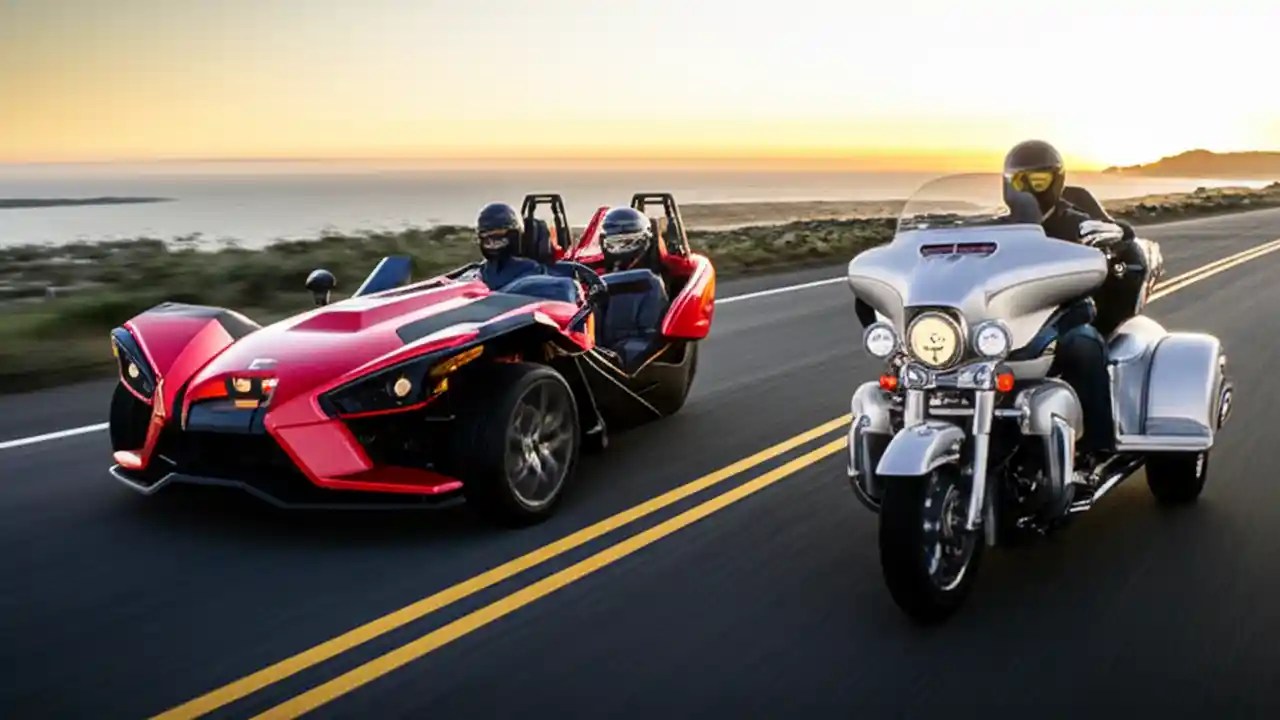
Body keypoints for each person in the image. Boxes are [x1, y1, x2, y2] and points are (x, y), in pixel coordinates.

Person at [1004, 140, 1118, 462]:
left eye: (1037, 181)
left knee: (1082, 345)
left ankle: (1095, 446)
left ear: (1056, 181)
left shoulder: (1075, 222)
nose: (1028, 190)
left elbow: (1118, 232)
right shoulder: (1003, 227)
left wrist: (1112, 233)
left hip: (1066, 311)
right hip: (1013, 315)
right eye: (1019, 181)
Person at [474, 202, 543, 290]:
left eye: (498, 237)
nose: (492, 244)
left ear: (514, 235)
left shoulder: (530, 269)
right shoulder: (483, 270)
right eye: (486, 238)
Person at [599, 206, 655, 272]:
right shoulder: (598, 269)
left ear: (643, 239)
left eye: (626, 242)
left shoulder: (664, 264)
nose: (618, 248)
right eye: (613, 243)